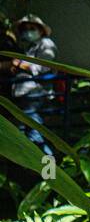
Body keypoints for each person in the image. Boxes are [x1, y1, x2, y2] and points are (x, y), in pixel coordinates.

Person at [10, 15, 57, 151]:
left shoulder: (46, 44)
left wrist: (19, 64)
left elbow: (43, 67)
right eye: (25, 29)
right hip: (25, 96)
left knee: (35, 134)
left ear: (41, 30)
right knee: (25, 131)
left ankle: (47, 166)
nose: (28, 32)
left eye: (32, 28)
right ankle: (32, 167)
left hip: (36, 95)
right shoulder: (31, 48)